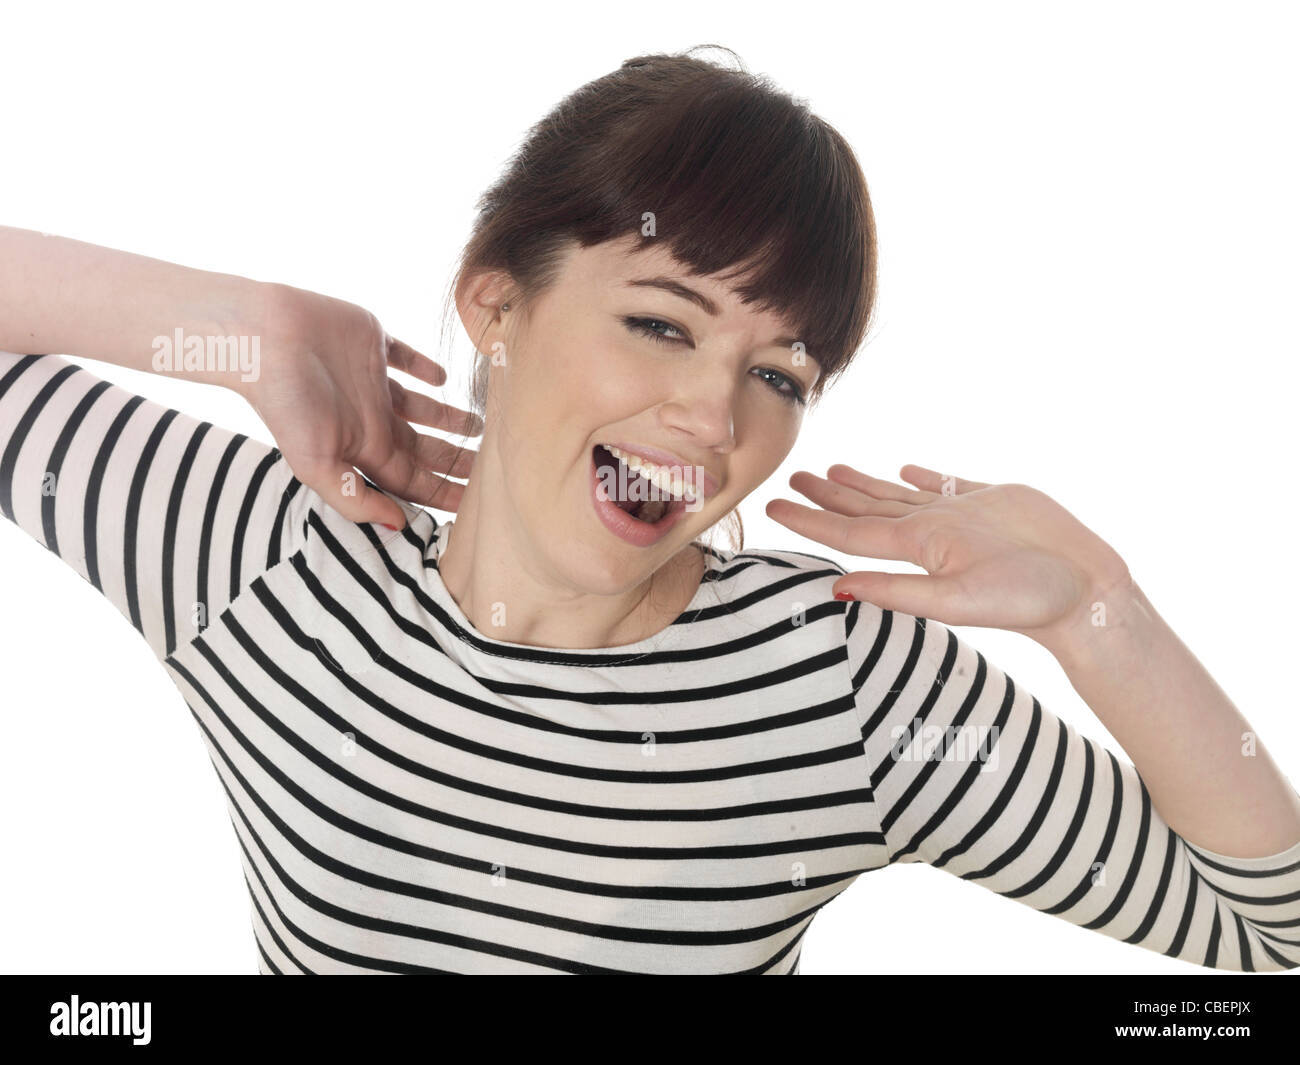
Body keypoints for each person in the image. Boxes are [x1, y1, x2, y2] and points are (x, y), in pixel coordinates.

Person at [2, 47, 1299, 975]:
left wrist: (1096, 610)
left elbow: (1269, 938)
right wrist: (234, 329)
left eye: (779, 374)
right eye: (660, 322)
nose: (711, 416)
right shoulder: (268, 557)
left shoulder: (852, 690)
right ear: (497, 302)